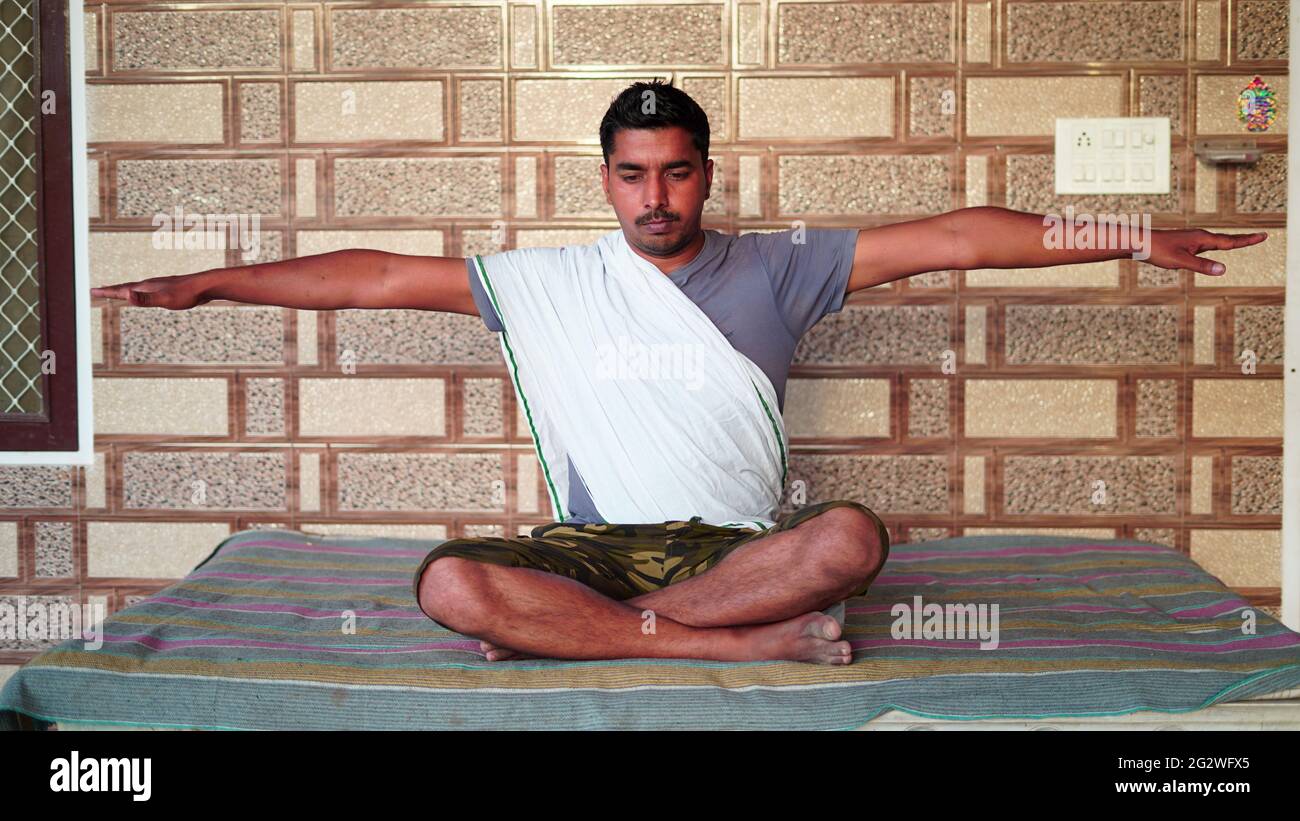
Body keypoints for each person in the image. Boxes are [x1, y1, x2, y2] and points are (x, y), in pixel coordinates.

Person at [91, 79, 1267, 665]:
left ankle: (593, 633)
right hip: (587, 544)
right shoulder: (537, 282)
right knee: (448, 581)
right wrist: (212, 282)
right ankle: (731, 645)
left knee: (848, 540)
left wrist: (1124, 233)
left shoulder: (784, 266)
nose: (656, 196)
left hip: (735, 546)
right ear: (604, 178)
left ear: (706, 173)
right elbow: (373, 279)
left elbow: (957, 237)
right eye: (633, 173)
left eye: (678, 172)